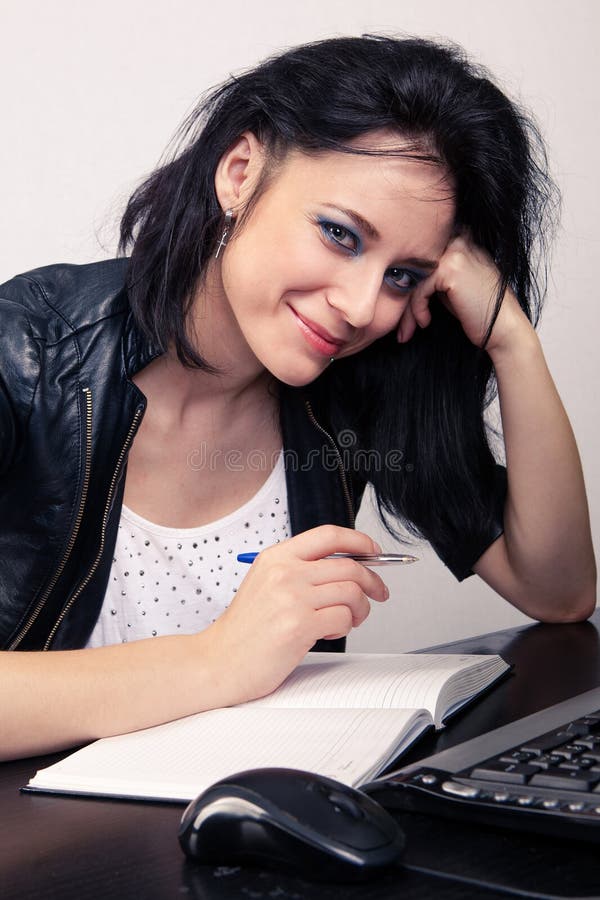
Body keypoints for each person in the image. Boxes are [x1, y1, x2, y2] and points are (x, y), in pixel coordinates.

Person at [0, 35, 595, 761]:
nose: (360, 306)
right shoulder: (26, 355)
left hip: (249, 839)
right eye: (340, 234)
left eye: (403, 274)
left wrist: (513, 343)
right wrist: (219, 660)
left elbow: (559, 591)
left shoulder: (350, 391)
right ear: (241, 173)